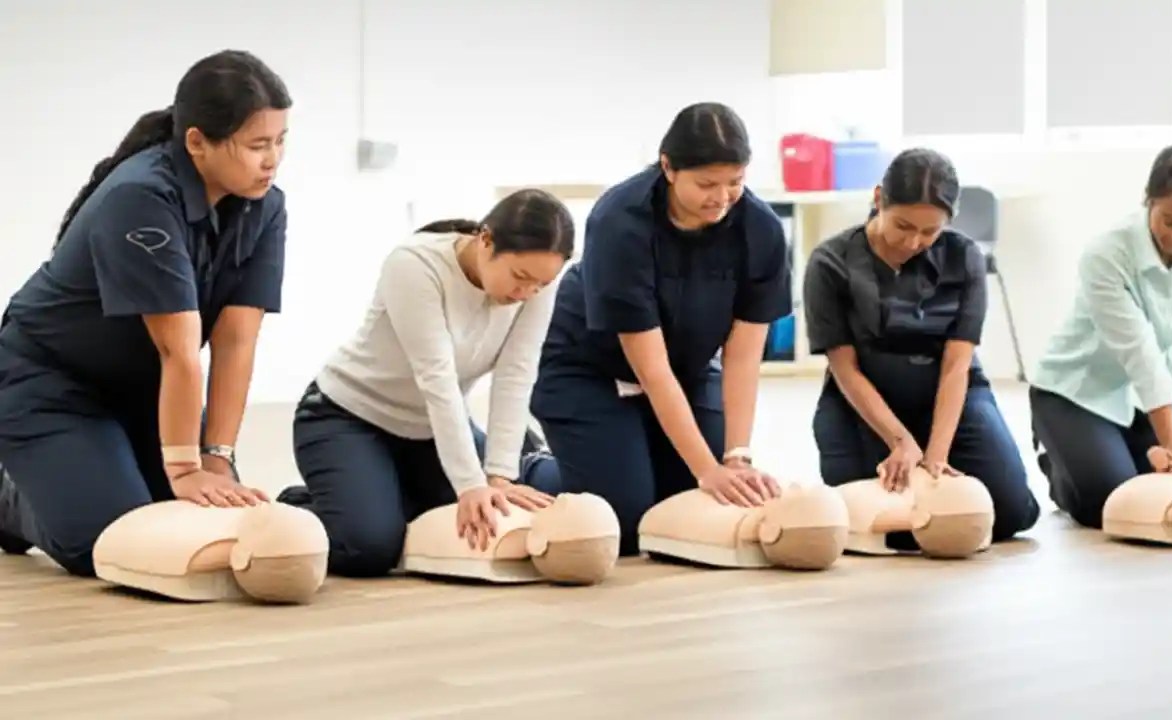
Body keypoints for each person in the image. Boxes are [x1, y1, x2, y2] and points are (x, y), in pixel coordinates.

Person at [0, 50, 292, 577]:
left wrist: (216, 461)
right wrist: (184, 468)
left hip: (144, 388)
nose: (272, 159)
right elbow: (177, 348)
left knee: (203, 523)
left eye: (280, 141)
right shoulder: (141, 196)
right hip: (48, 382)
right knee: (114, 542)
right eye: (256, 145)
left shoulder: (265, 205)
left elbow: (235, 342)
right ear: (197, 142)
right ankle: (9, 499)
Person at [529, 102, 790, 556]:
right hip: (590, 369)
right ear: (668, 167)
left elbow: (744, 357)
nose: (722, 197)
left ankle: (642, 458)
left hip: (687, 369)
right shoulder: (619, 221)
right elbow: (650, 369)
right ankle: (534, 468)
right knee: (625, 523)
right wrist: (706, 467)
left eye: (735, 182)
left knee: (693, 505)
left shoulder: (760, 228)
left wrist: (735, 457)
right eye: (706, 184)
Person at [275, 190, 572, 577]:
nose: (526, 293)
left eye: (540, 284)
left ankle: (386, 495)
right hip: (349, 417)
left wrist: (499, 476)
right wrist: (470, 485)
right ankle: (300, 504)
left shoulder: (536, 286)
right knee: (369, 547)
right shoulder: (415, 265)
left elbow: (516, 376)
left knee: (522, 501)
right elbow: (438, 381)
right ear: (486, 240)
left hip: (428, 432)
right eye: (520, 278)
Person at [803, 148, 1040, 550]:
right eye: (903, 225)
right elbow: (845, 369)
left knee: (1008, 513)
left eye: (929, 232)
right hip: (863, 403)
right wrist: (899, 440)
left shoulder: (964, 256)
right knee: (870, 520)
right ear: (879, 199)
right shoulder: (832, 261)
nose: (913, 242)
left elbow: (956, 365)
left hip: (950, 396)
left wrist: (936, 459)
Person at [1028, 145, 1172, 529]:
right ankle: (1058, 463)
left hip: (1146, 399)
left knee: (1166, 495)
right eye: (1171, 221)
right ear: (1149, 199)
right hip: (1076, 392)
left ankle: (1105, 455)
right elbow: (1140, 353)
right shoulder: (1106, 253)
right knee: (1111, 505)